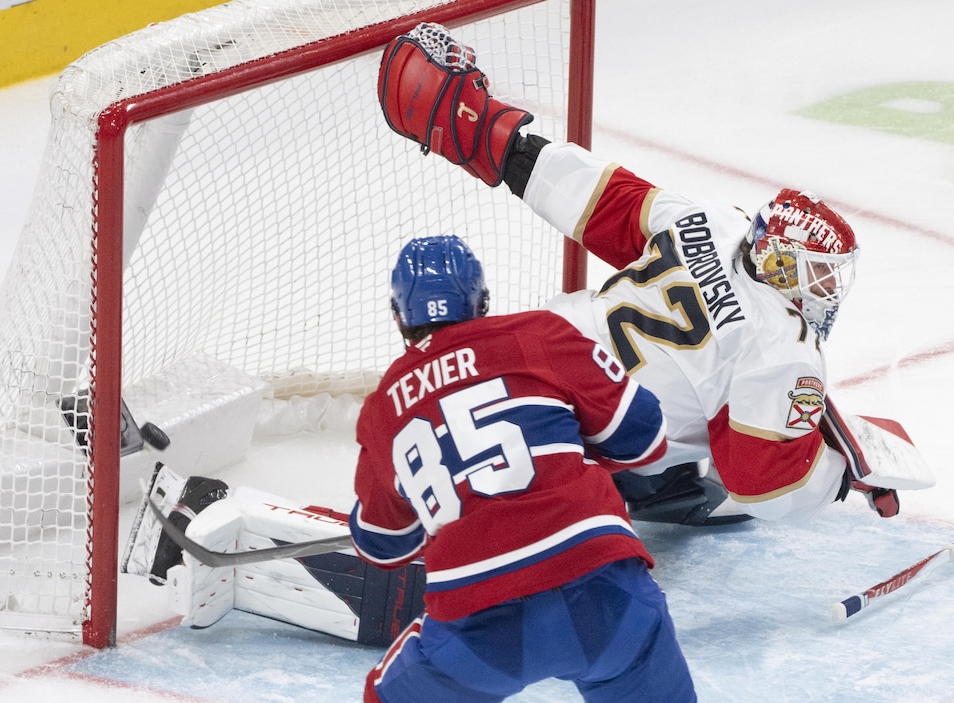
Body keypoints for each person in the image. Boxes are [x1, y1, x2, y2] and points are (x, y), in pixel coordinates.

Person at [377, 23, 911, 528]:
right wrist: (840, 478)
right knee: (525, 503)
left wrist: (500, 139)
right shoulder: (783, 348)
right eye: (819, 276)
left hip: (537, 339)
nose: (826, 291)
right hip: (586, 428)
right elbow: (765, 488)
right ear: (783, 266)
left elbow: (599, 200)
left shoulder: (716, 222)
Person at [349, 235, 694, 702]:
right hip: (605, 595)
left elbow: (384, 546)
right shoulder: (538, 333)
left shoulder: (381, 408)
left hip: (481, 629)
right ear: (483, 302)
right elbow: (647, 438)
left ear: (397, 316)